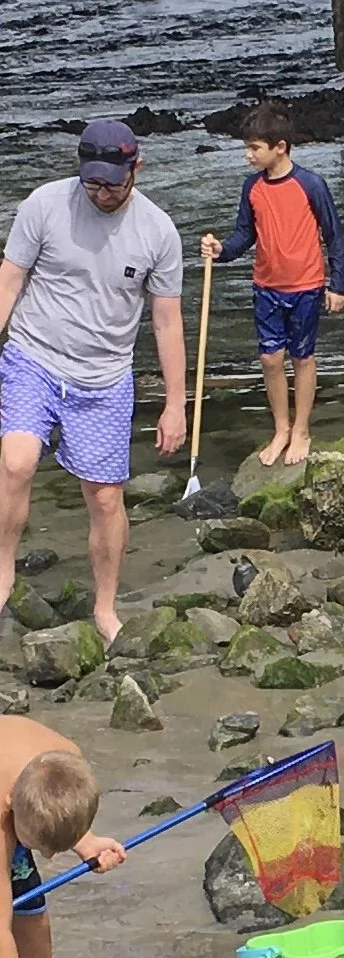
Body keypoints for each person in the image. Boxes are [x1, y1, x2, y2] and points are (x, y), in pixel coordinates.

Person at [0, 120, 187, 642]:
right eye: (93, 183)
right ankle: (3, 571)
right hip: (33, 356)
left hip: (103, 377)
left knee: (105, 498)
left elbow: (166, 321)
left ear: (136, 168)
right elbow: (9, 280)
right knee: (16, 461)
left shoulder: (158, 232)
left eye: (113, 183)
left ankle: (105, 608)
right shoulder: (44, 205)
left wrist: (176, 405)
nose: (102, 194)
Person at [199, 101, 344, 469]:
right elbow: (244, 235)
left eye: (254, 148)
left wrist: (338, 285)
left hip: (306, 285)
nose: (248, 155)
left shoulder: (311, 184)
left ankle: (301, 429)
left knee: (302, 356)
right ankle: (280, 428)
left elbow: (335, 236)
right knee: (270, 357)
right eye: (247, 148)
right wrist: (221, 250)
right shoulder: (252, 188)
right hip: (266, 284)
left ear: (279, 147)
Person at [1, 715, 125, 958]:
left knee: (29, 904)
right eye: (39, 846)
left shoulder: (67, 758)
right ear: (10, 804)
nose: (49, 856)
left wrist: (86, 841)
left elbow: (58, 800)